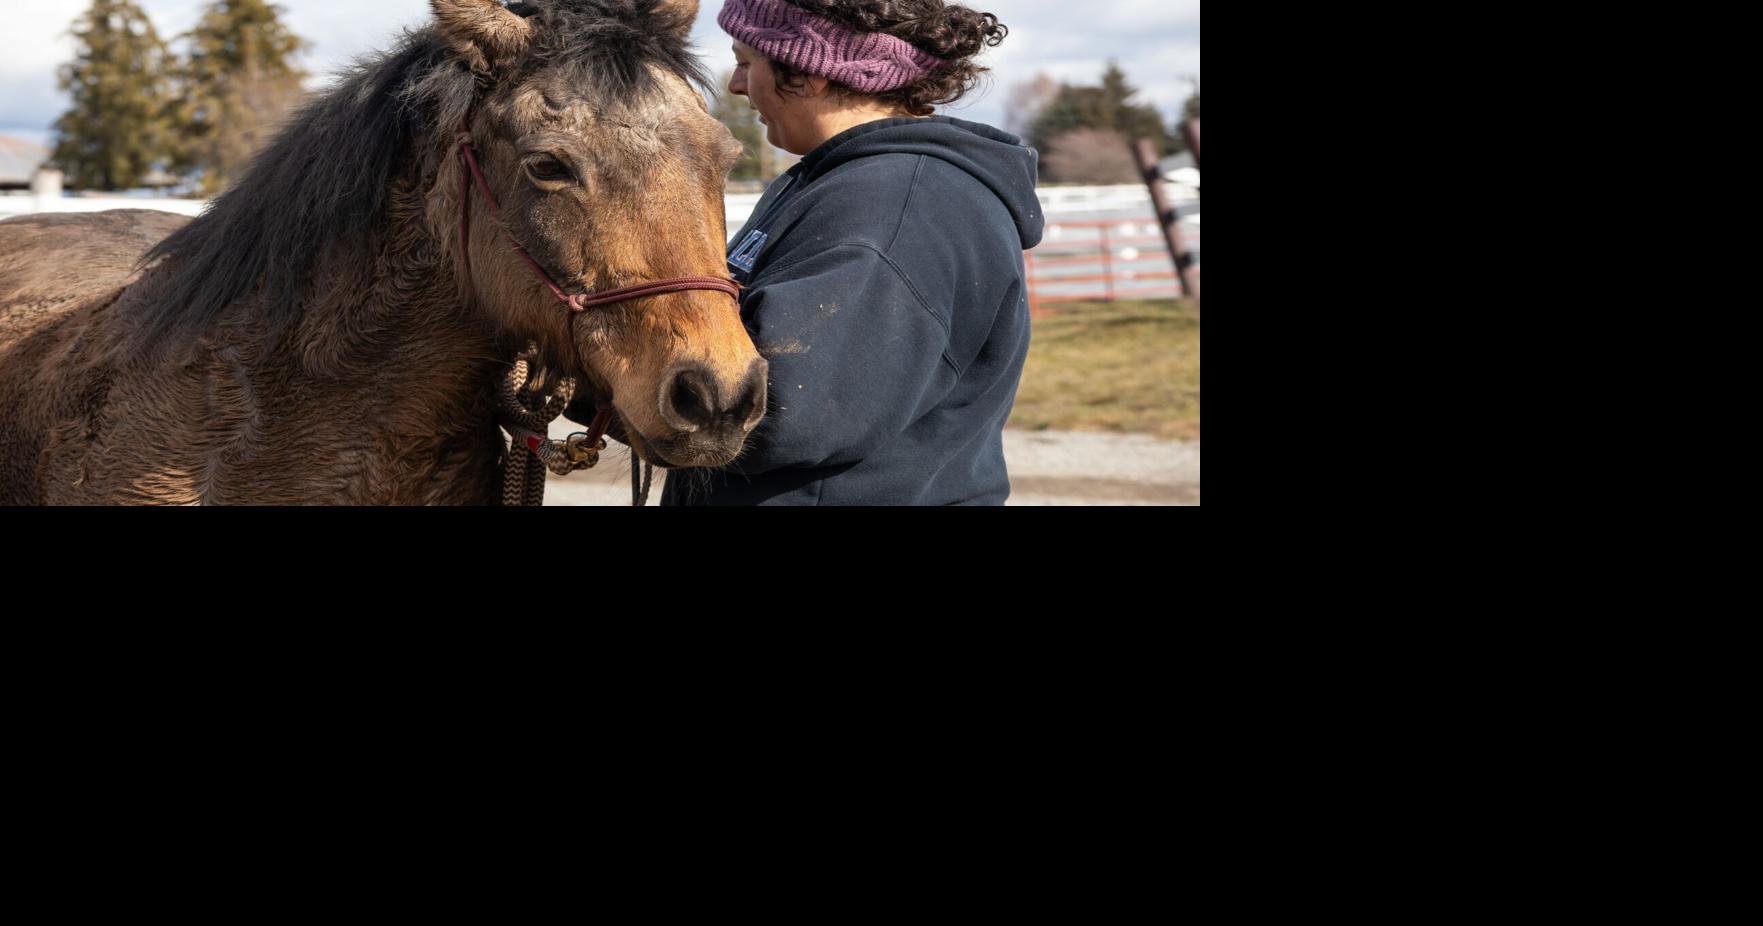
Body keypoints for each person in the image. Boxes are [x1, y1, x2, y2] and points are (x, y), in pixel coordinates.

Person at [662, 0, 1042, 505]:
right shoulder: (833, 182)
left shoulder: (891, 209)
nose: (735, 85)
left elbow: (778, 415)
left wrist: (601, 380)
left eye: (746, 62)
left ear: (809, 72)